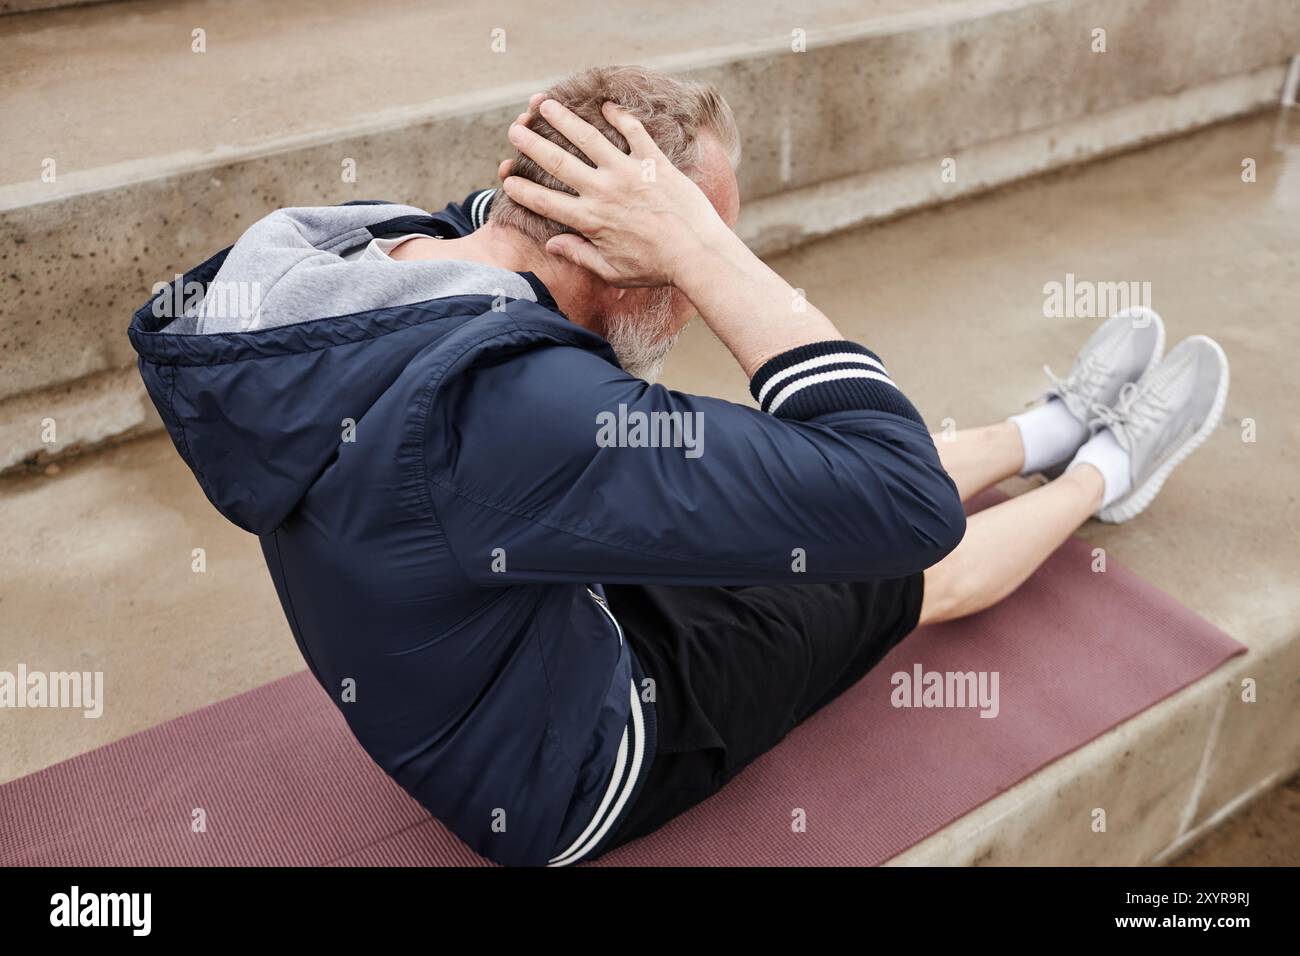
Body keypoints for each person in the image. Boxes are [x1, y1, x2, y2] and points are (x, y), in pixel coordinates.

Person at [128, 66, 1228, 866]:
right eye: (698, 262)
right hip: (565, 763)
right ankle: (1107, 470)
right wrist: (703, 248)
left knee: (785, 487)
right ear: (621, 247)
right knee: (883, 571)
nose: (705, 295)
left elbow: (485, 223)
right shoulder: (533, 418)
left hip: (504, 595)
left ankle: (1045, 428)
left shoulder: (340, 257)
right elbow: (896, 500)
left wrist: (658, 223)